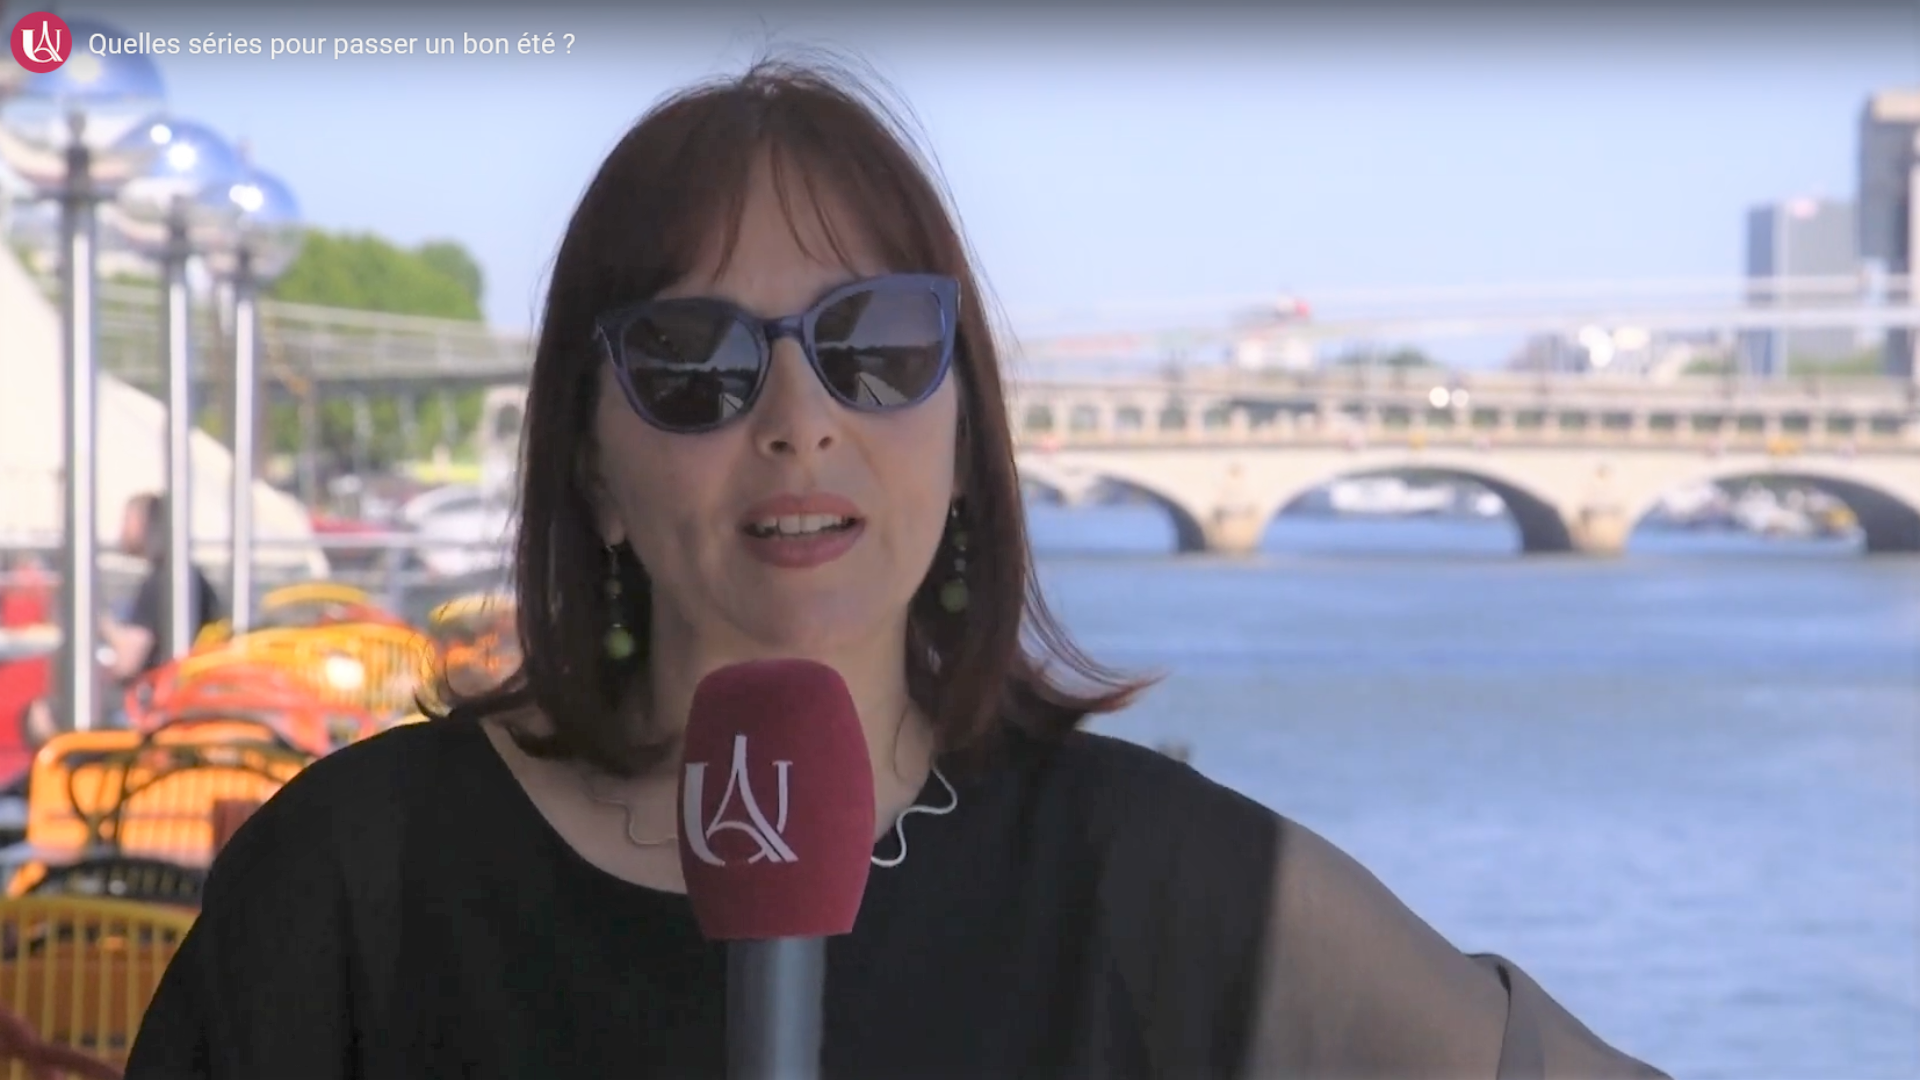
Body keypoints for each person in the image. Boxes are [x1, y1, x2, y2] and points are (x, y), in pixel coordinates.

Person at [126, 58, 1667, 1079]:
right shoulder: (356, 881)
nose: (800, 422)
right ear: (589, 463)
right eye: (694, 361)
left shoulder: (1159, 889)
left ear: (963, 428)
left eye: (875, 349)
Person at [100, 492, 222, 686]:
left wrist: (98, 621)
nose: (120, 530)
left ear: (144, 524)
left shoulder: (161, 581)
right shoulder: (184, 575)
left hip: (167, 697)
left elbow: (127, 662)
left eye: (127, 520)